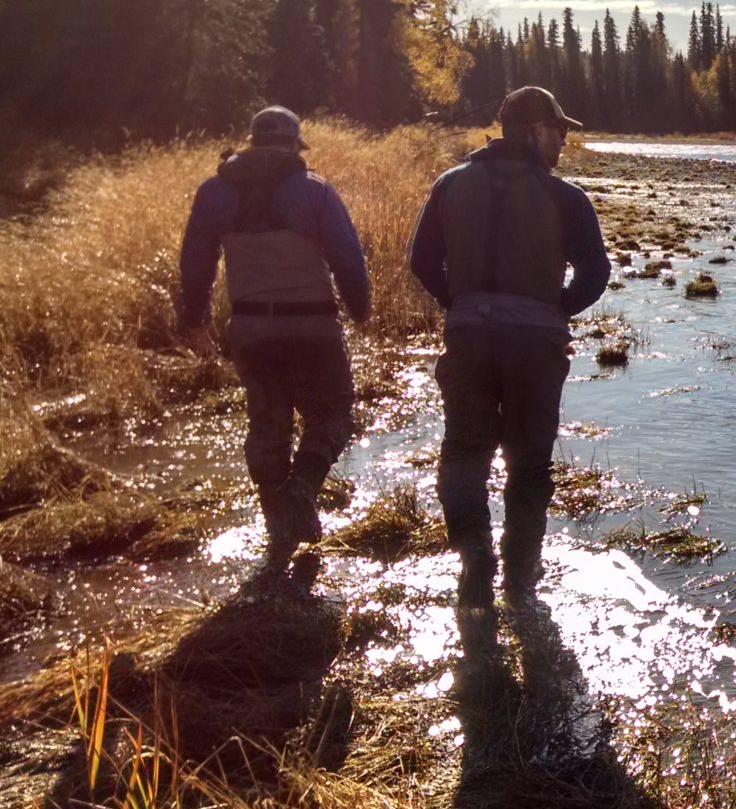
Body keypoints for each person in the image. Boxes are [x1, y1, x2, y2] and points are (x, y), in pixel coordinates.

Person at [409, 86, 610, 604]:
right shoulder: (566, 197)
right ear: (533, 131)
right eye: (558, 130)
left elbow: (421, 261)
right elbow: (596, 273)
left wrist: (459, 303)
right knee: (529, 461)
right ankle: (521, 576)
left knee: (464, 451)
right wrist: (557, 309)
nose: (563, 141)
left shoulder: (450, 184)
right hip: (536, 345)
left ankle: (474, 550)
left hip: (469, 337)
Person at [179, 106, 370, 576]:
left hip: (251, 331)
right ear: (293, 144)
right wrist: (360, 309)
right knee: (334, 413)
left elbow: (196, 261)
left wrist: (195, 320)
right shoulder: (315, 189)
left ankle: (279, 530)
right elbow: (347, 256)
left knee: (268, 427)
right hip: (314, 328)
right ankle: (303, 487)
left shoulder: (214, 191)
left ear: (253, 141)